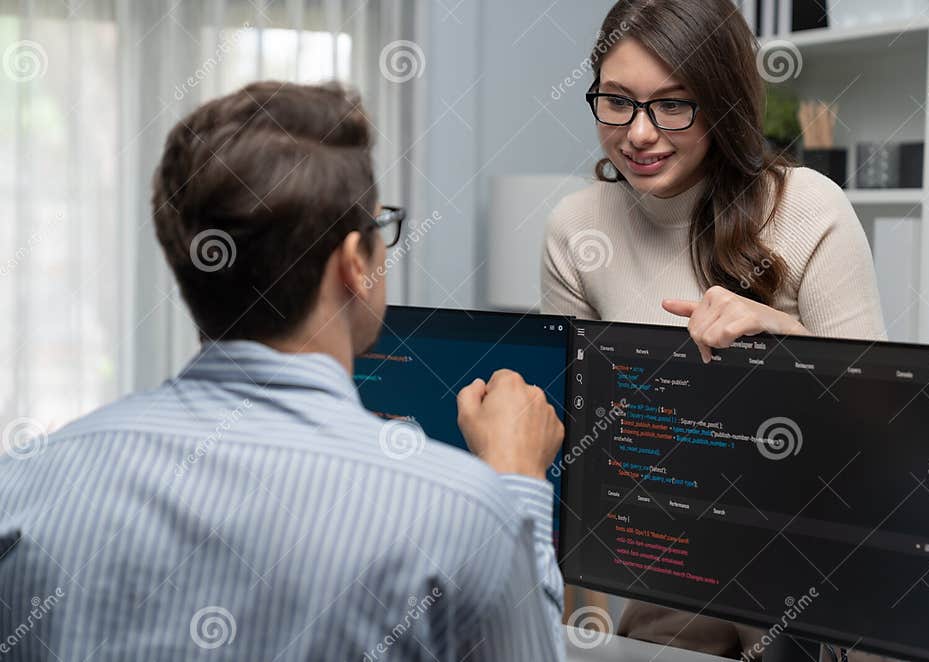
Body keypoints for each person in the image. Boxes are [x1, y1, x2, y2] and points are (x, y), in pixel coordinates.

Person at [0, 82, 566, 661]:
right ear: (354, 263)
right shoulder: (464, 514)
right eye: (382, 228)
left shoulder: (20, 485)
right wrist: (516, 484)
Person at [541, 0, 887, 658]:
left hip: (820, 556)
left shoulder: (807, 206)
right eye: (616, 101)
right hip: (675, 559)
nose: (639, 133)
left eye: (674, 104)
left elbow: (886, 420)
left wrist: (786, 339)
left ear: (723, 102)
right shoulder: (576, 229)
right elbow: (578, 443)